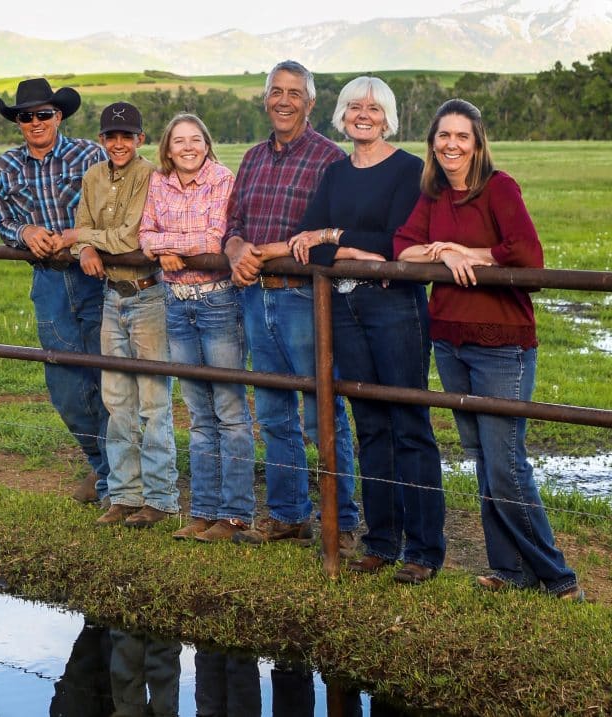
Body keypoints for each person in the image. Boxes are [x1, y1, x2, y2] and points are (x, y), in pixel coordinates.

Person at [394, 98, 583, 600]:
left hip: (501, 343)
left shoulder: (499, 188)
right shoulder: (434, 194)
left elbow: (527, 254)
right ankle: (509, 568)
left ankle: (557, 575)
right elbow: (403, 247)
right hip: (450, 341)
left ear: (478, 144)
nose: (451, 145)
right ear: (432, 143)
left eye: (462, 136)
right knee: (481, 457)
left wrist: (468, 254)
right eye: (443, 136)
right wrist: (440, 253)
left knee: (505, 464)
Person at [287, 76, 446, 584]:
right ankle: (381, 541)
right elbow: (306, 243)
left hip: (394, 306)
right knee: (371, 424)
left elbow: (398, 242)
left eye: (374, 108)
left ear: (388, 117)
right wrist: (351, 249)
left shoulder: (409, 170)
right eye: (354, 106)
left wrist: (336, 237)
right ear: (341, 114)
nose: (363, 114)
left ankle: (424, 549)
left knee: (409, 423)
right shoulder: (335, 173)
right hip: (344, 307)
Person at [223, 60, 359, 549]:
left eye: (294, 93)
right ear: (265, 99)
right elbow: (233, 223)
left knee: (323, 412)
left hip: (305, 297)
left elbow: (337, 232)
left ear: (311, 103)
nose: (283, 101)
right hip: (255, 296)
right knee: (273, 410)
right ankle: (287, 514)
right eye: (276, 91)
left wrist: (271, 251)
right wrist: (235, 249)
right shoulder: (253, 158)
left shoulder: (330, 159)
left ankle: (342, 522)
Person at [0, 78, 110, 504]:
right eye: (27, 116)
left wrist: (83, 238)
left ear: (59, 116)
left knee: (108, 378)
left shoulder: (90, 155)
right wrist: (25, 232)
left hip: (95, 274)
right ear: (18, 122)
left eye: (44, 114)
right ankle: (103, 467)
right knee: (65, 385)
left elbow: (112, 208)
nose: (36, 122)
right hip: (48, 280)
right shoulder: (5, 166)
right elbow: (2, 220)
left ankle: (115, 479)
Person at [140, 113, 255, 540]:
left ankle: (236, 515)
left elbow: (215, 238)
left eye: (195, 140)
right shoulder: (159, 182)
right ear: (167, 149)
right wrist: (161, 248)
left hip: (217, 300)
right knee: (199, 412)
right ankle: (203, 511)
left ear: (206, 144)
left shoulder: (222, 179)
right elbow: (145, 235)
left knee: (230, 410)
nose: (187, 147)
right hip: (176, 302)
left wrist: (168, 248)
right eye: (179, 141)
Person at [68, 102, 180, 528]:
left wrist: (80, 237)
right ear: (101, 140)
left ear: (140, 139)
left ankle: (161, 498)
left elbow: (131, 237)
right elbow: (83, 226)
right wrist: (85, 246)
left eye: (127, 137)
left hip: (147, 295)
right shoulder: (93, 176)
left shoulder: (151, 176)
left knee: (153, 401)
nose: (119, 144)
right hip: (112, 296)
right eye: (111, 137)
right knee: (117, 401)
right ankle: (124, 494)